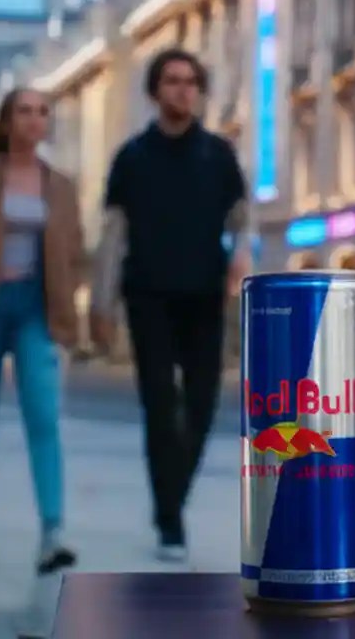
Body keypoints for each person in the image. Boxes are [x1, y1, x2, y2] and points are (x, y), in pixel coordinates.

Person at [89, 48, 251, 562]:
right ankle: (171, 522)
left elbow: (241, 216)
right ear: (155, 91)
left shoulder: (218, 155)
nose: (182, 90)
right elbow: (113, 235)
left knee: (202, 406)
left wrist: (241, 255)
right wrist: (102, 301)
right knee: (160, 407)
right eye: (172, 81)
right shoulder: (132, 158)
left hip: (205, 296)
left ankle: (169, 500)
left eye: (190, 82)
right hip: (149, 295)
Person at [0, 87, 82, 574]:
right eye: (24, 111)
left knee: (43, 417)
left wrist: (67, 308)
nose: (34, 119)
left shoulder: (60, 184)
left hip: (36, 310)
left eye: (43, 112)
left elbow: (73, 251)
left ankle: (52, 531)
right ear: (6, 121)